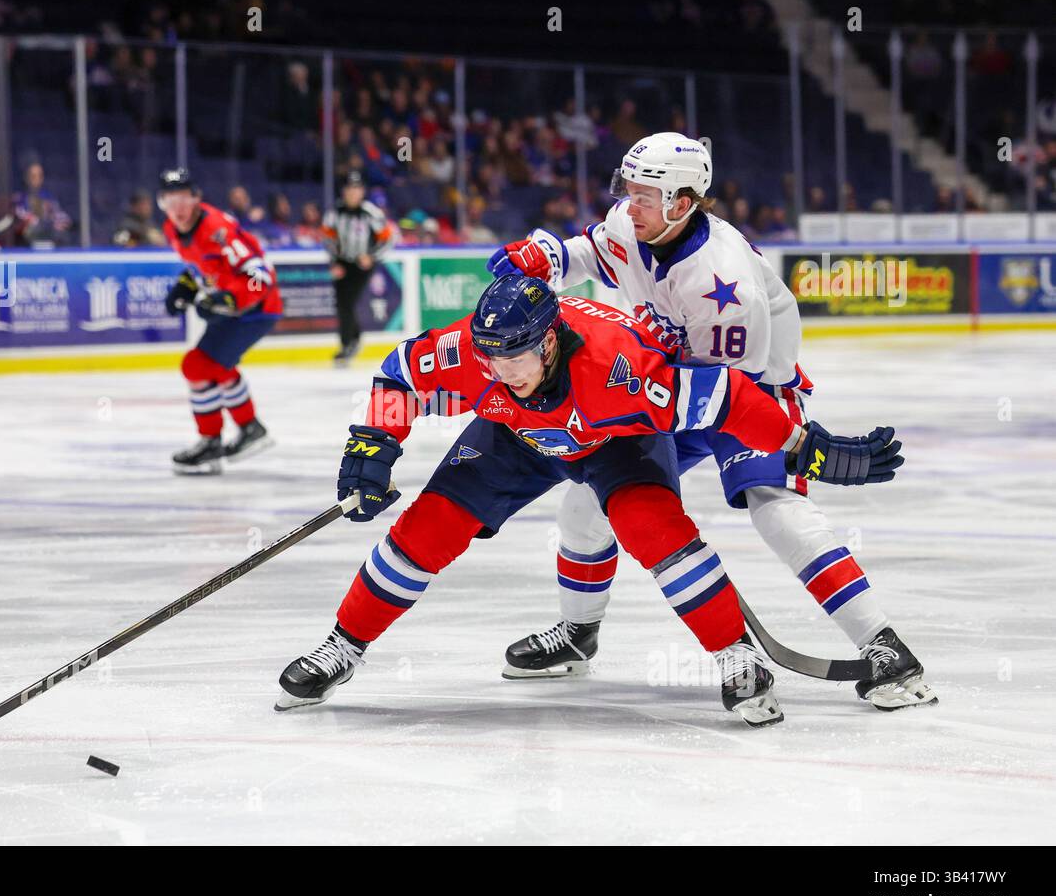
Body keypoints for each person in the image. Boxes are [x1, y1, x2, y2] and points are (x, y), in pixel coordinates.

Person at [276, 274, 904, 725]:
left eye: (515, 356)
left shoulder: (620, 369)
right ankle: (343, 647)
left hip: (616, 439)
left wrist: (802, 447)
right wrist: (372, 445)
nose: (501, 371)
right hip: (515, 436)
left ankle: (734, 654)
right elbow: (398, 376)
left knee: (652, 529)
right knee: (428, 527)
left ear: (549, 340)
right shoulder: (475, 353)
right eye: (491, 357)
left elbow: (729, 398)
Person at [488, 132, 937, 710]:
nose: (629, 204)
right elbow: (592, 253)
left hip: (748, 390)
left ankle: (885, 647)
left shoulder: (722, 282)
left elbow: (724, 393)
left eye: (644, 195)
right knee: (585, 503)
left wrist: (636, 365)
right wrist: (545, 258)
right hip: (666, 386)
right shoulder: (632, 223)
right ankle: (579, 633)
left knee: (775, 508)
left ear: (682, 203)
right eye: (628, 189)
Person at [158, 167, 283, 474]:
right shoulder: (172, 230)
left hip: (256, 309)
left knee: (198, 365)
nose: (177, 208)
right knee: (209, 367)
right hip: (236, 310)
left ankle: (215, 440)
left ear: (196, 199)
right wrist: (187, 285)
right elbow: (205, 268)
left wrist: (230, 299)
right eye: (170, 201)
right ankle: (248, 429)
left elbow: (260, 276)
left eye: (183, 199)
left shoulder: (217, 229)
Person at [320, 172, 396, 365]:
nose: (353, 193)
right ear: (343, 191)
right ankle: (352, 340)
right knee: (341, 303)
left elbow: (388, 239)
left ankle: (348, 344)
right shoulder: (334, 212)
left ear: (362, 191)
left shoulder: (371, 213)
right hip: (342, 262)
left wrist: (371, 256)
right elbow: (327, 238)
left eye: (357, 189)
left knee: (347, 301)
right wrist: (334, 261)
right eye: (350, 189)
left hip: (363, 264)